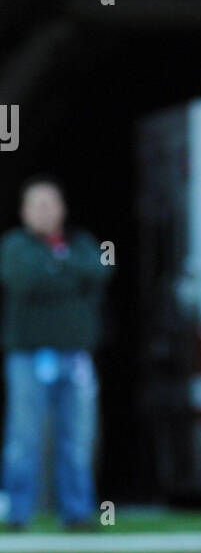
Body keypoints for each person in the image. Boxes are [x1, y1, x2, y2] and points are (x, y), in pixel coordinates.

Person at [0, 178, 109, 529]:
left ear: (62, 209)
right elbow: (24, 280)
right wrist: (66, 273)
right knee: (23, 438)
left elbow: (101, 270)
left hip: (76, 358)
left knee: (77, 439)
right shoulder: (15, 245)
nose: (44, 211)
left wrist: (56, 267)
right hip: (28, 358)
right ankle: (18, 513)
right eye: (37, 204)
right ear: (24, 211)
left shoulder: (82, 243)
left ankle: (77, 513)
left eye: (50, 204)